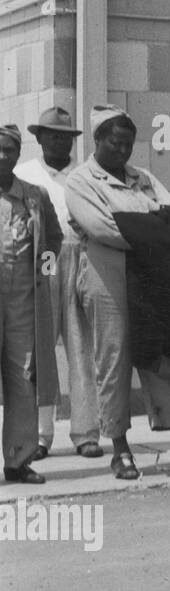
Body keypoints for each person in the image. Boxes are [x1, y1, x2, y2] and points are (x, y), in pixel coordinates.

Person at [65, 106, 170, 481]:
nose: (122, 150)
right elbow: (104, 228)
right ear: (97, 141)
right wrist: (152, 224)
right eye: (114, 142)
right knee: (115, 360)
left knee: (160, 357)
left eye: (128, 143)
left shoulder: (144, 177)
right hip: (107, 278)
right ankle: (120, 449)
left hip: (151, 278)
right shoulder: (81, 181)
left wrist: (144, 223)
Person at [14, 106, 102, 459]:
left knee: (82, 347)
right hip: (45, 258)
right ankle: (40, 434)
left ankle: (85, 432)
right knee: (40, 349)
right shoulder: (25, 174)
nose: (59, 141)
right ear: (39, 138)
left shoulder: (84, 176)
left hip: (81, 256)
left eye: (65, 136)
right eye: (52, 134)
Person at [0, 123, 62, 484]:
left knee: (23, 379)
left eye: (9, 149)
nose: (3, 156)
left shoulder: (35, 196)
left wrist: (46, 272)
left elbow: (52, 237)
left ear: (18, 153)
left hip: (23, 304)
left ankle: (18, 459)